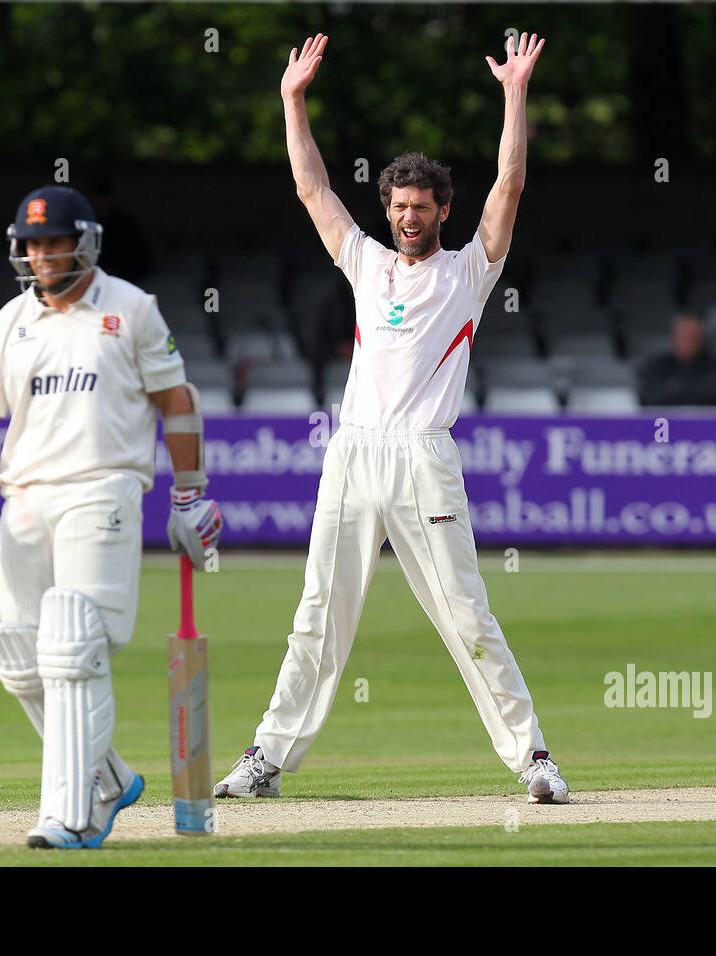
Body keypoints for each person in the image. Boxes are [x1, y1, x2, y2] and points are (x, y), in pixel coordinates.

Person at [213, 33, 569, 805]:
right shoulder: (366, 262)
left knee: (466, 615)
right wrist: (292, 99)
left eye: (422, 207)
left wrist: (515, 93)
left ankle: (533, 758)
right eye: (399, 207)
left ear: (444, 209)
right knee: (318, 614)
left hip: (422, 458)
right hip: (354, 452)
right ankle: (266, 758)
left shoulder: (468, 271)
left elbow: (508, 186)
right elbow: (312, 190)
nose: (409, 218)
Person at [0, 186, 222, 849]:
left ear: (86, 243)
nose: (43, 255)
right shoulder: (5, 323)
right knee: (21, 654)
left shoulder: (132, 310)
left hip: (102, 488)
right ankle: (109, 777)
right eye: (33, 243)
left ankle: (72, 813)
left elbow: (178, 400)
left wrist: (189, 494)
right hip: (24, 497)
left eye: (55, 242)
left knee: (73, 643)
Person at [636, 313, 716, 406]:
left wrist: (675, 387)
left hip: (704, 420)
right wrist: (694, 387)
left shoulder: (714, 365)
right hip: (664, 420)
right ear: (675, 336)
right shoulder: (657, 365)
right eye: (684, 335)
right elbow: (648, 396)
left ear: (702, 338)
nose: (689, 340)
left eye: (694, 336)